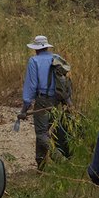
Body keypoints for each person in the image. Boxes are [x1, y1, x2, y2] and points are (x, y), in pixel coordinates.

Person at [18, 34, 71, 170]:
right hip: (57, 102)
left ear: (36, 49)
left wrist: (24, 109)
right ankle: (40, 164)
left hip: (42, 100)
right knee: (50, 132)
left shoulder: (34, 61)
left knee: (41, 133)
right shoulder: (56, 58)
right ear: (47, 47)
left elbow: (31, 86)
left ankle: (61, 160)